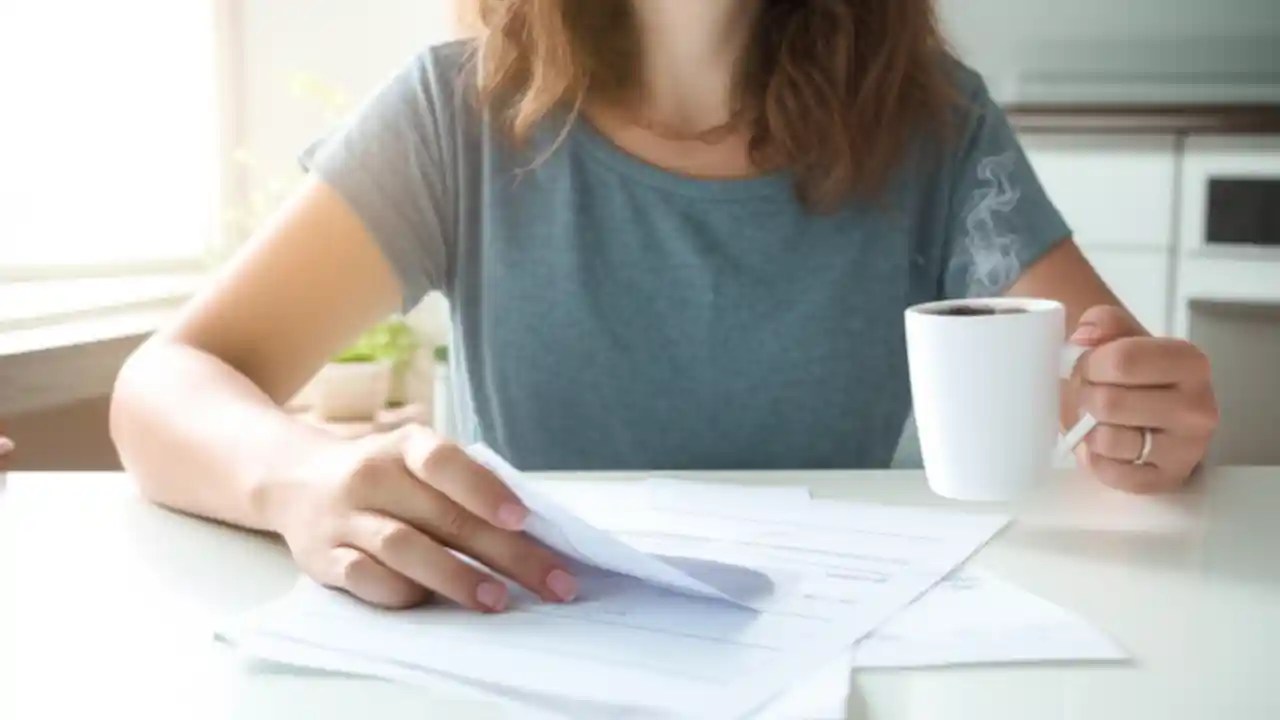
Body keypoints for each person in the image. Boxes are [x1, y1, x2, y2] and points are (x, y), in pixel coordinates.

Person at [110, 0, 1219, 612]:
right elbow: (163, 387)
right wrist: (298, 472)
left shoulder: (932, 126)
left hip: (843, 646)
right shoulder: (454, 118)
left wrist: (1147, 421)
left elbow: (1113, 391)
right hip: (529, 649)